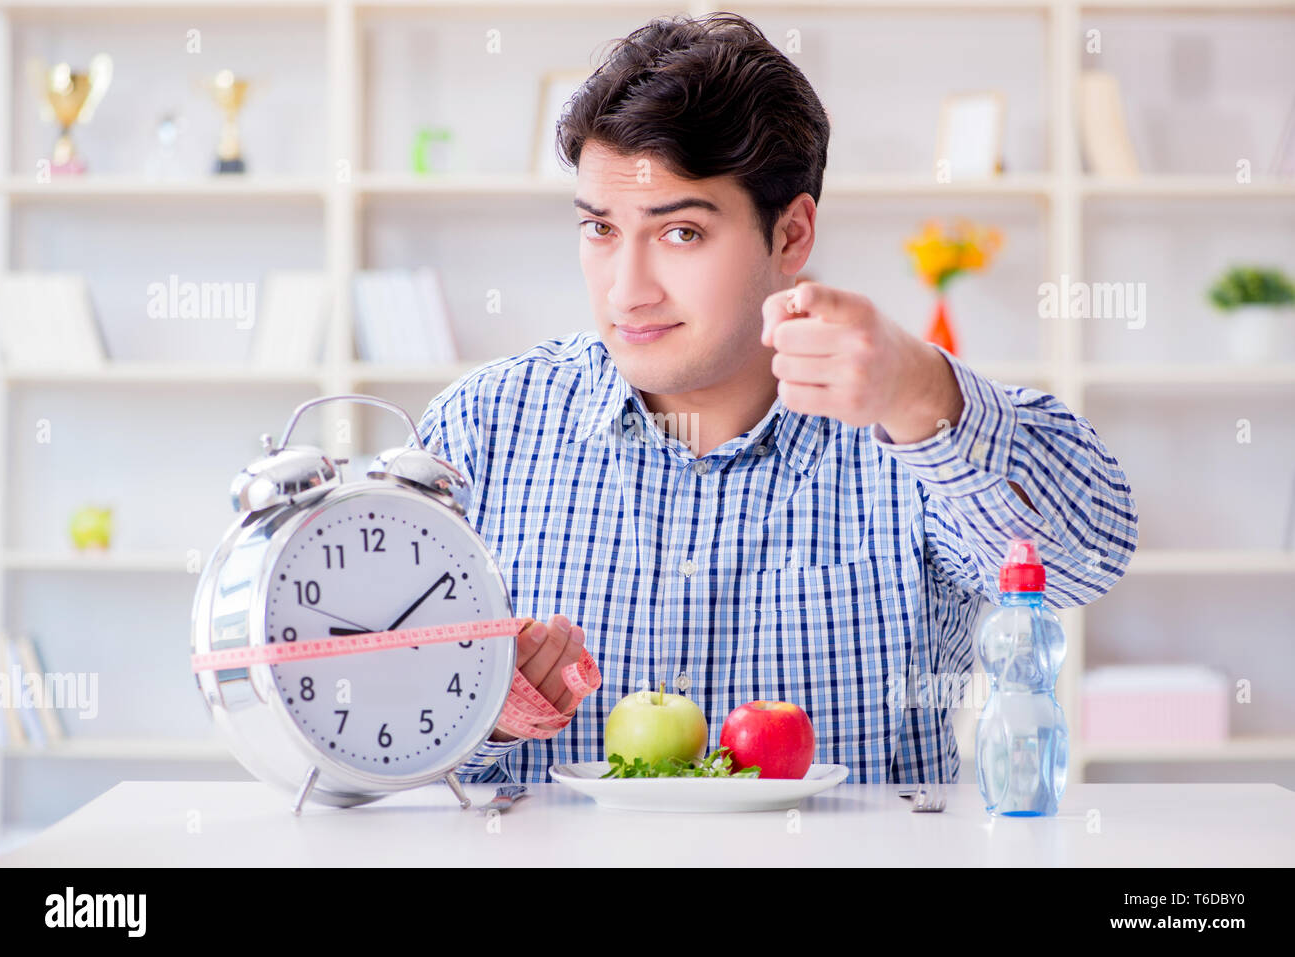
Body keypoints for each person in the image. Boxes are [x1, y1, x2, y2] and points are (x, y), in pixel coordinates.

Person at [419, 12, 1138, 785]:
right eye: (600, 229)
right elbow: (354, 732)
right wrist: (482, 712)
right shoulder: (484, 425)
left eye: (681, 233)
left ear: (791, 236)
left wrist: (923, 386)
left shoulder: (908, 426)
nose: (626, 289)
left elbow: (1086, 557)